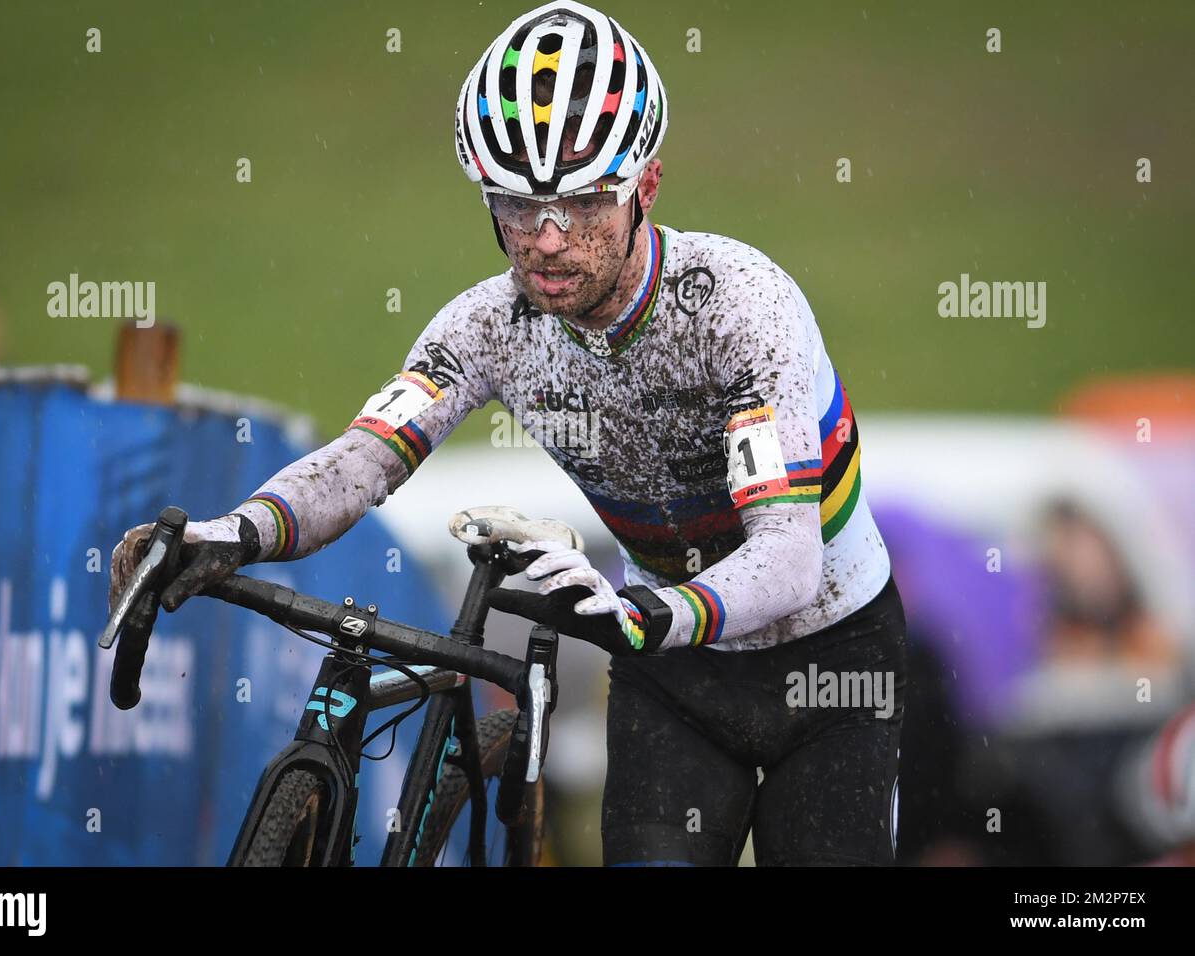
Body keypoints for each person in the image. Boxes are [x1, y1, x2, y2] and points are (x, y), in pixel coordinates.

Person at [110, 0, 906, 866]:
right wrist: (235, 532)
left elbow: (789, 561)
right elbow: (363, 461)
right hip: (670, 669)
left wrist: (640, 615)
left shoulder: (742, 307)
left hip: (827, 655)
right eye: (517, 207)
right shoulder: (490, 326)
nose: (548, 240)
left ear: (646, 186)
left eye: (582, 202)